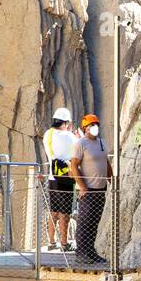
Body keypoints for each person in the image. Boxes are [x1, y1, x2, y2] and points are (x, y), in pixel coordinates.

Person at [69, 113, 112, 255]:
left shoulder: (102, 142)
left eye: (96, 125)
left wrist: (111, 180)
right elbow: (74, 166)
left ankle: (90, 251)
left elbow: (106, 162)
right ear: (85, 128)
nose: (94, 127)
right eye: (91, 126)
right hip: (88, 190)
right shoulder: (81, 144)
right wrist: (83, 187)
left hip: (101, 189)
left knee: (94, 222)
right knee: (85, 222)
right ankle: (81, 252)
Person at [42, 106, 78, 251]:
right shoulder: (69, 136)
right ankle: (64, 243)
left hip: (53, 177)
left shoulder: (47, 135)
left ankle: (51, 242)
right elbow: (78, 150)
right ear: (66, 122)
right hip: (66, 178)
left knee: (54, 211)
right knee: (65, 212)